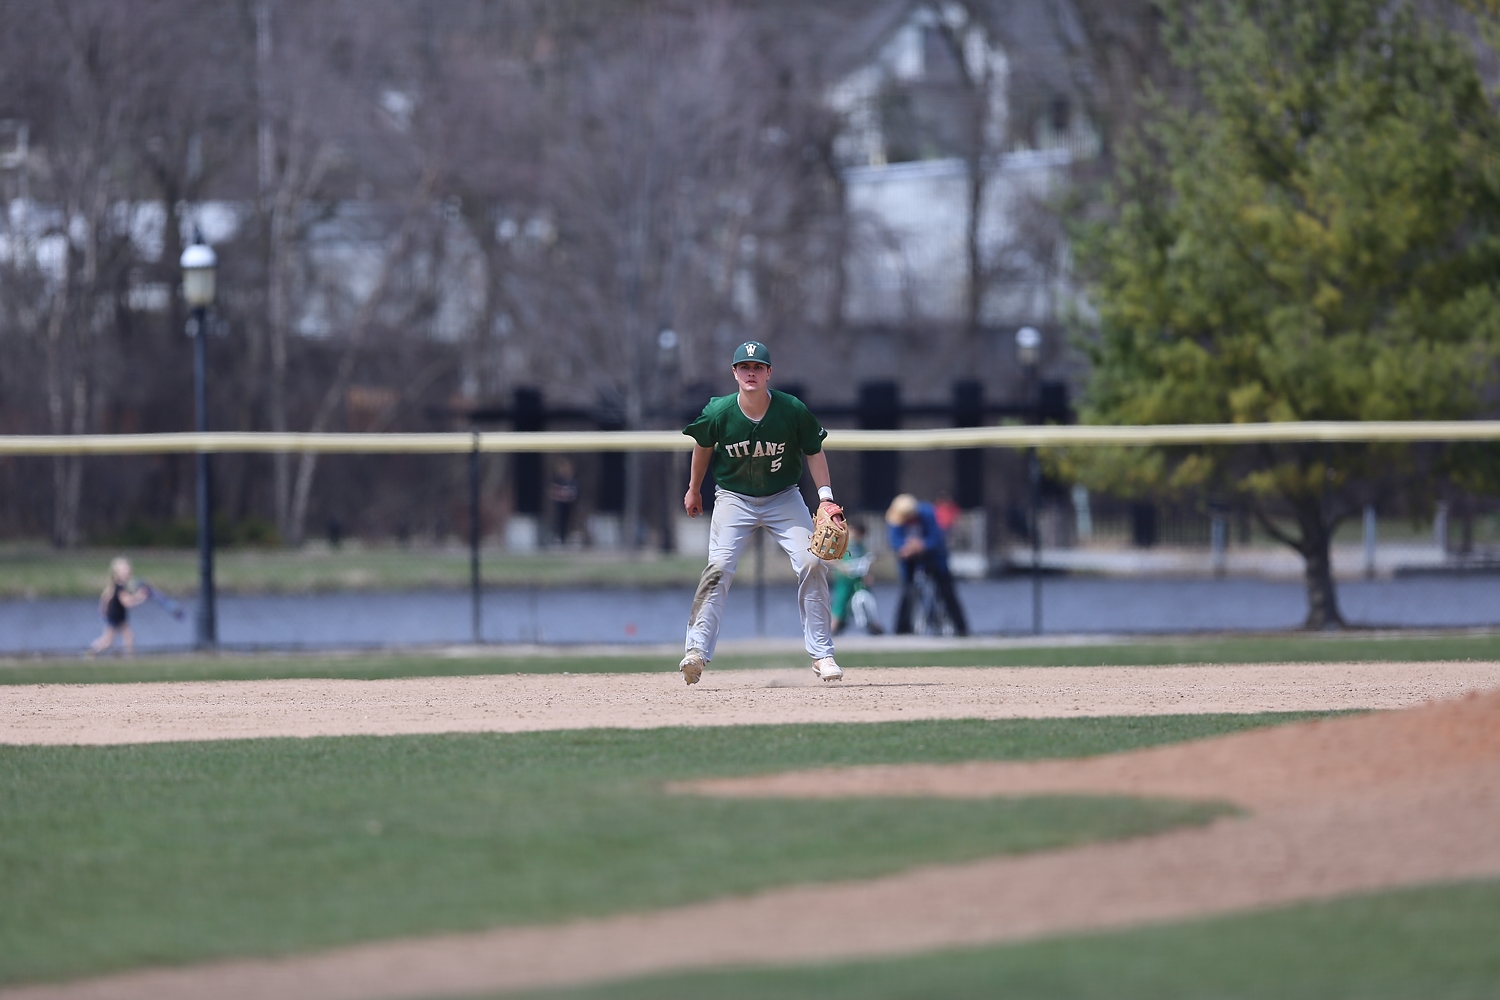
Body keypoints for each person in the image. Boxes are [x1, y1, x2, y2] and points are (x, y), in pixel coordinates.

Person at [680, 340, 846, 684]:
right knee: (719, 567)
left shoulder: (791, 410)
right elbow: (702, 446)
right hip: (733, 498)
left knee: (813, 561)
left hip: (783, 496)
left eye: (757, 368)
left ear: (769, 373)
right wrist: (694, 488)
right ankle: (695, 651)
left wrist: (826, 497)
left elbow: (814, 450)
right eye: (744, 367)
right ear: (734, 373)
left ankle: (822, 654)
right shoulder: (719, 412)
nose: (750, 373)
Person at [886, 493, 969, 636]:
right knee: (908, 590)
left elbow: (937, 537)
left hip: (934, 555)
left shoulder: (928, 513)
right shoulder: (896, 519)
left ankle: (960, 628)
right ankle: (902, 629)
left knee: (946, 589)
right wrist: (905, 548)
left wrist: (922, 545)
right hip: (909, 558)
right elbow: (895, 540)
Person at [831, 520, 883, 635]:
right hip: (844, 578)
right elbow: (828, 557)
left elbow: (864, 562)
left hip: (858, 578)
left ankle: (874, 624)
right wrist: (840, 566)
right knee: (841, 601)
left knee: (867, 598)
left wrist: (868, 574)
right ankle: (833, 626)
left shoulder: (860, 546)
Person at [89, 557, 148, 655]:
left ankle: (129, 657)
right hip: (115, 616)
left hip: (119, 616)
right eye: (124, 570)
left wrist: (138, 595)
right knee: (109, 641)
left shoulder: (119, 585)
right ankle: (90, 652)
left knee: (125, 637)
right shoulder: (119, 587)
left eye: (127, 569)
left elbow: (106, 597)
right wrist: (140, 598)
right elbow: (127, 602)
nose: (127, 571)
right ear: (116, 573)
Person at [548, 458, 580, 546]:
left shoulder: (572, 481)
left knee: (570, 522)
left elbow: (574, 493)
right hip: (559, 506)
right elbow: (553, 492)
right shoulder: (557, 480)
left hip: (570, 506)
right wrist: (561, 494)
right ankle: (559, 539)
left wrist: (564, 494)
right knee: (559, 522)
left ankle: (569, 538)